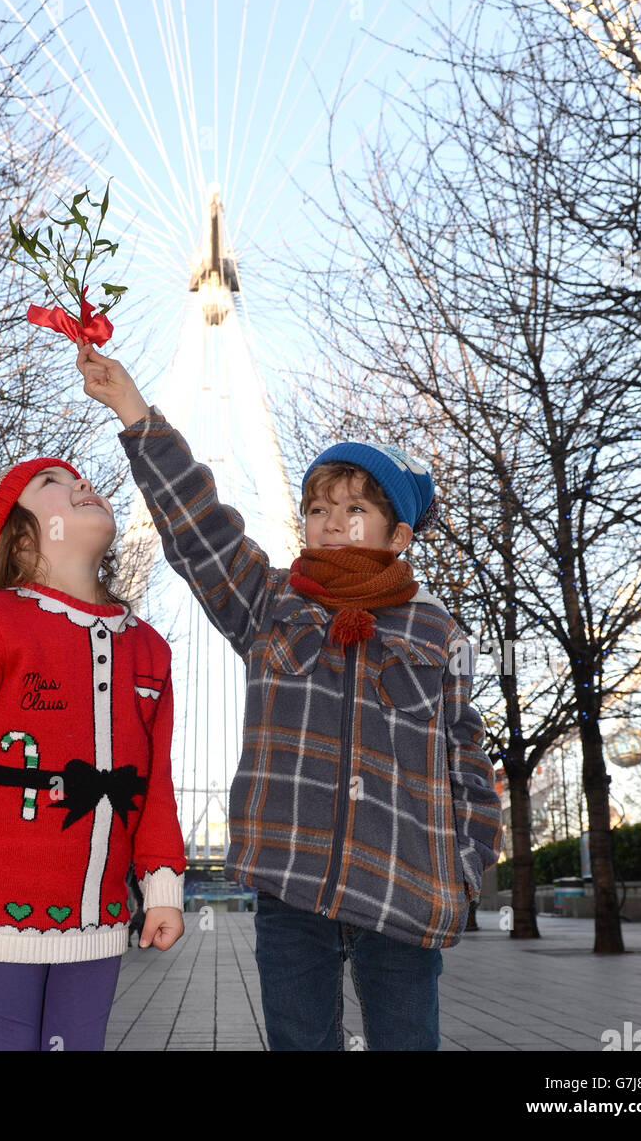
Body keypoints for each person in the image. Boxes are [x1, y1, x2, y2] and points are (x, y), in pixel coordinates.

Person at [75, 339, 503, 1052]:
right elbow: (196, 528)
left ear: (397, 535)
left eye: (352, 508)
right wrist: (130, 407)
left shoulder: (434, 630)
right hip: (290, 882)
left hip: (403, 886)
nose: (330, 520)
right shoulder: (270, 603)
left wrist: (462, 872)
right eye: (316, 507)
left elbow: (465, 758)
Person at [0, 452, 186, 1050]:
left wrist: (161, 890)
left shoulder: (149, 648)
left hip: (99, 919)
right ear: (20, 544)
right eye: (51, 482)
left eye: (81, 477)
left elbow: (153, 785)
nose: (80, 481)